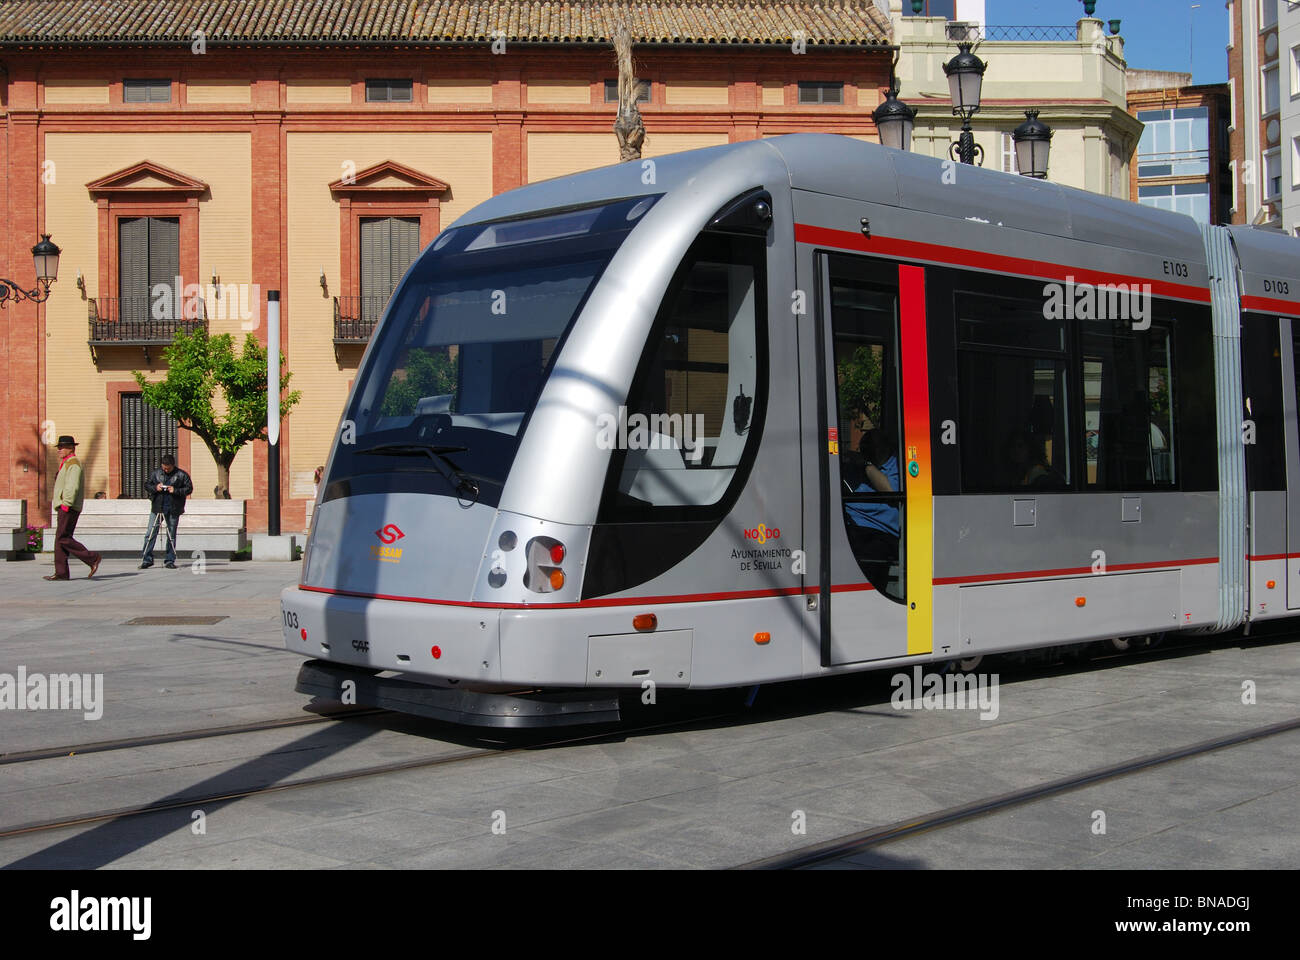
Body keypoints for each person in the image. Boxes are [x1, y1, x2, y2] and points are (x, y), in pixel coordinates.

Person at [845, 428, 901, 594]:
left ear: (886, 447)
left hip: (879, 533)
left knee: (866, 556)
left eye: (871, 445)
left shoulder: (895, 465)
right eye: (864, 446)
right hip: (849, 524)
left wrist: (867, 466)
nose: (866, 450)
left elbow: (891, 492)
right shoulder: (855, 466)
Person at [45, 436, 101, 581]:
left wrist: (66, 503)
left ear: (71, 448)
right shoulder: (66, 463)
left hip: (68, 506)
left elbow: (72, 485)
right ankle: (61, 573)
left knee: (63, 537)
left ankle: (92, 558)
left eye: (61, 447)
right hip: (64, 505)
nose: (59, 450)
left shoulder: (73, 463)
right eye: (58, 447)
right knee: (60, 539)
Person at [140, 453, 193, 569]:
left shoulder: (181, 475)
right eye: (164, 467)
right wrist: (155, 488)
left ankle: (169, 559)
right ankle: (146, 559)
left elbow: (189, 489)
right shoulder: (156, 473)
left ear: (173, 466)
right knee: (150, 533)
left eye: (168, 468)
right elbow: (147, 485)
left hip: (173, 508)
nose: (165, 470)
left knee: (171, 535)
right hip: (157, 507)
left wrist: (175, 490)